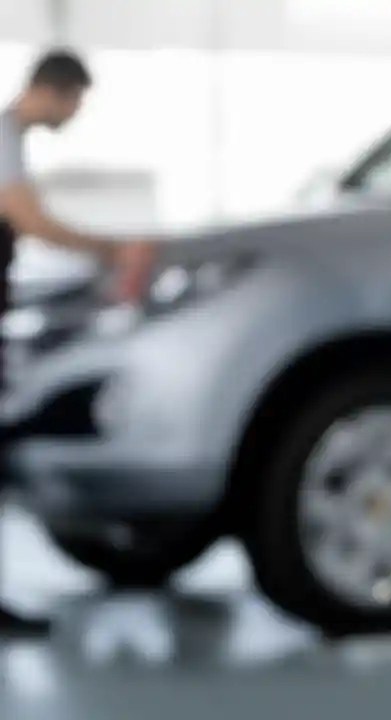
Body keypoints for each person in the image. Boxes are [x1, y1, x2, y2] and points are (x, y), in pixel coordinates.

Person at [0, 50, 155, 636]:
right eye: (77, 103)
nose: (74, 115)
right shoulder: (4, 136)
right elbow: (27, 218)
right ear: (56, 91)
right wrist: (114, 249)